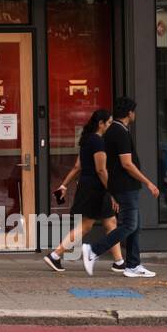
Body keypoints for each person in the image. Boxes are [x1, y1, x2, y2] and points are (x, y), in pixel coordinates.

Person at [83, 97, 159, 278]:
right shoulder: (119, 132)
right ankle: (93, 250)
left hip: (122, 187)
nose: (135, 114)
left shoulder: (113, 130)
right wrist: (148, 182)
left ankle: (133, 265)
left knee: (135, 226)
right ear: (129, 113)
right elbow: (127, 164)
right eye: (134, 111)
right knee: (129, 225)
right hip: (126, 187)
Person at [43, 110, 124, 272]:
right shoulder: (98, 142)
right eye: (108, 123)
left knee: (110, 222)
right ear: (100, 124)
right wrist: (113, 192)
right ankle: (55, 255)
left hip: (88, 187)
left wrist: (63, 185)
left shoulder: (86, 140)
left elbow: (77, 167)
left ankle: (119, 262)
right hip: (96, 189)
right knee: (86, 226)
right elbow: (101, 170)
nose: (109, 126)